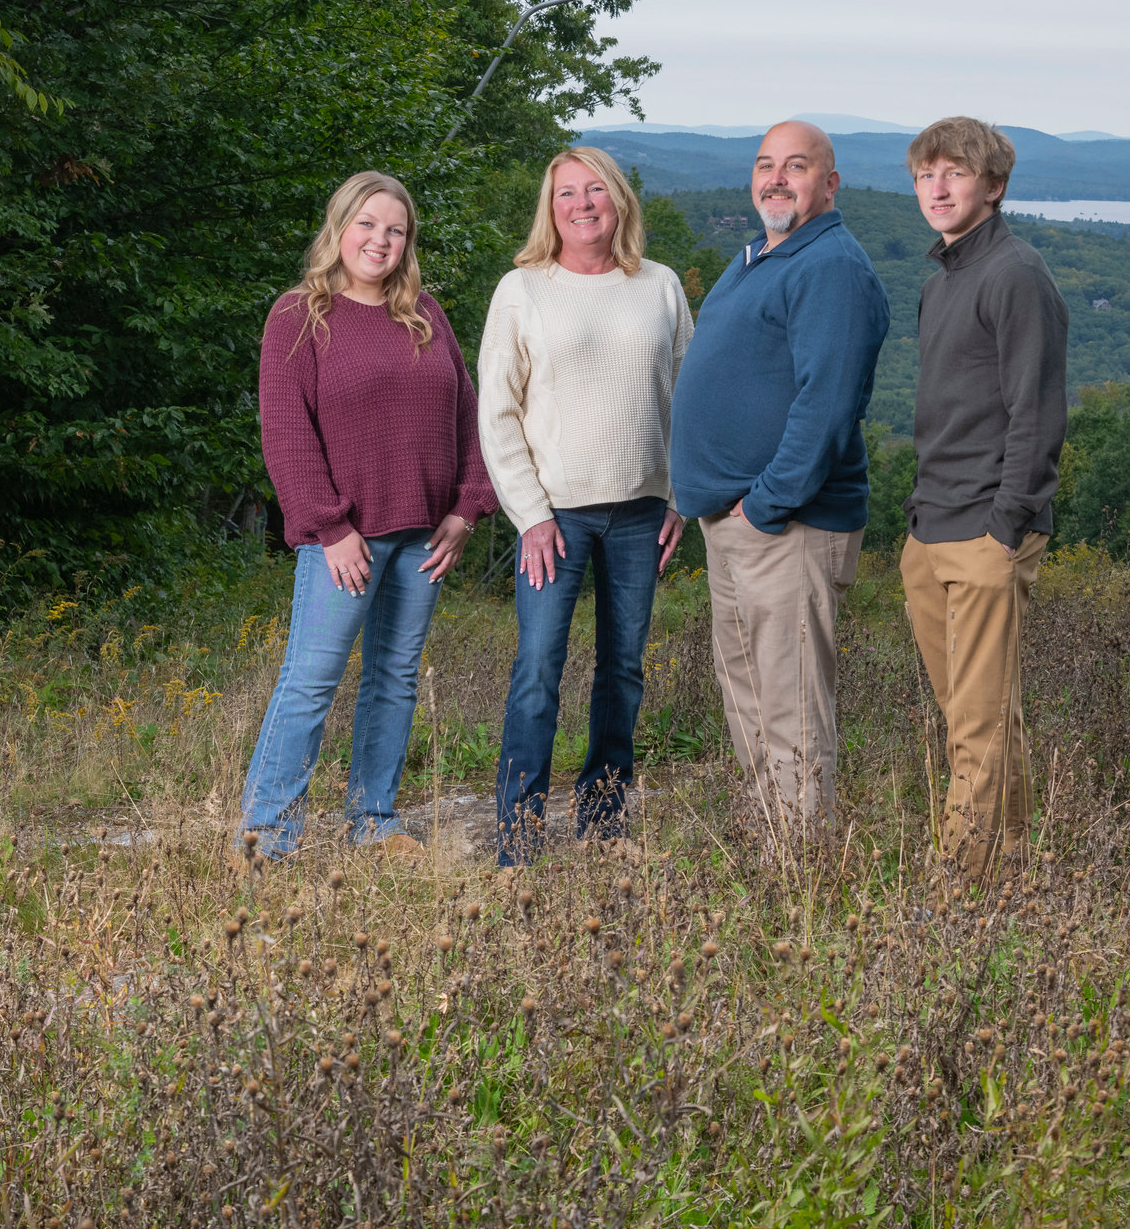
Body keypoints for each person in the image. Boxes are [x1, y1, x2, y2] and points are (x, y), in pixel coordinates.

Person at [239, 171, 497, 860]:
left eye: (395, 229)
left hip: (425, 535)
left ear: (407, 241)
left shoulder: (426, 313)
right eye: (367, 224)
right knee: (311, 680)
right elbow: (286, 433)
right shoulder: (298, 315)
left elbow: (468, 415)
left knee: (394, 679)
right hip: (344, 539)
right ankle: (269, 833)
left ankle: (373, 821)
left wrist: (468, 508)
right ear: (338, 227)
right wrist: (329, 527)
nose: (379, 240)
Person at [668, 121, 889, 833]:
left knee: (789, 706)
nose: (776, 177)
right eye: (765, 164)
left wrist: (765, 505)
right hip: (735, 526)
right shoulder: (762, 255)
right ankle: (774, 848)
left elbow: (824, 405)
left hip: (786, 526)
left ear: (829, 183)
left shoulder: (830, 266)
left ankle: (801, 874)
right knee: (750, 699)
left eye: (796, 166)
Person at [478, 147, 693, 865]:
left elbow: (688, 398)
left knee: (622, 669)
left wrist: (681, 496)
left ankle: (602, 823)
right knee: (538, 666)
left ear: (619, 201)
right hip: (555, 517)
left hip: (641, 513)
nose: (581, 203)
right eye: (565, 192)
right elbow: (496, 411)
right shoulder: (521, 289)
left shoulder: (659, 286)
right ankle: (518, 834)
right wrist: (530, 513)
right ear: (551, 207)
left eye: (594, 189)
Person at [899, 116, 1068, 885]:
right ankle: (1013, 864)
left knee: (975, 723)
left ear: (992, 187)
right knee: (979, 718)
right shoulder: (942, 282)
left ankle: (955, 888)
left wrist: (1006, 526)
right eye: (925, 175)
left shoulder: (1014, 274)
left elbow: (1034, 413)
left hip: (985, 532)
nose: (936, 188)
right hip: (930, 526)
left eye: (954, 174)